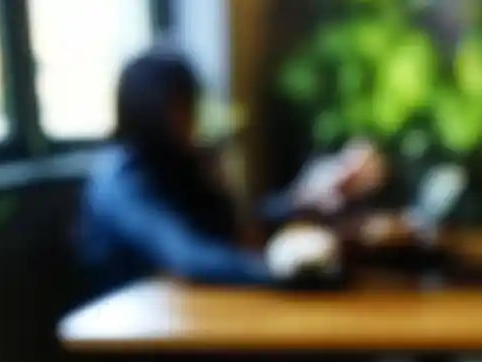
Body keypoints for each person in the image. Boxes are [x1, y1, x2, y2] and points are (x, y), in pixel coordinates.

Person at [77, 48, 385, 297]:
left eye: (190, 105)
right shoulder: (123, 178)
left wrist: (302, 200)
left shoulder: (177, 162)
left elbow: (232, 228)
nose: (189, 119)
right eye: (179, 107)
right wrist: (284, 272)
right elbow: (188, 256)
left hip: (197, 310)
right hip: (143, 337)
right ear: (148, 111)